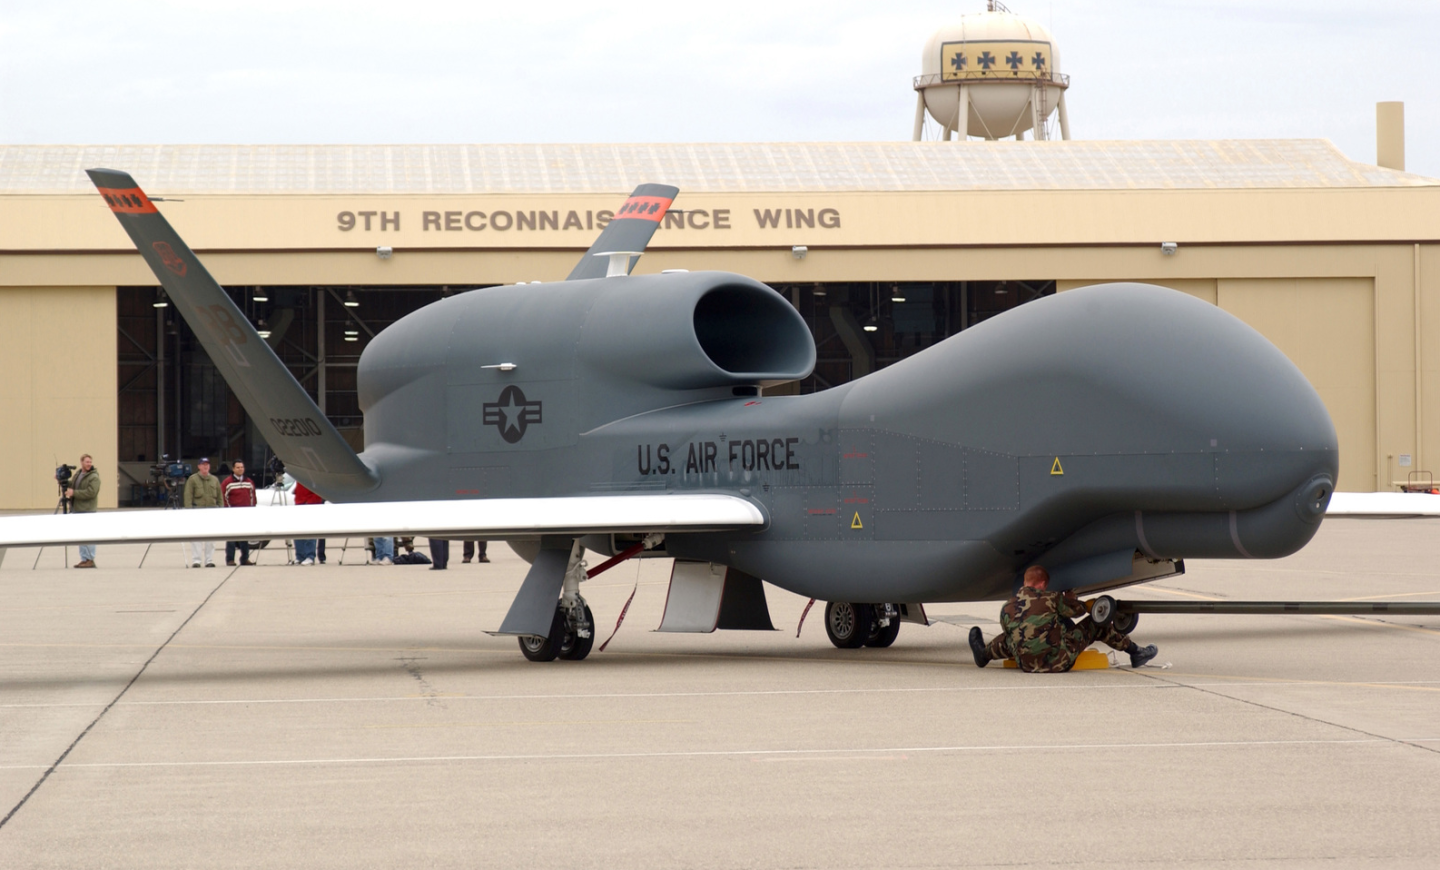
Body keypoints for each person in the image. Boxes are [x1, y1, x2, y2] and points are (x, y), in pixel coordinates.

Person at [969, 566, 1158, 672]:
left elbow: (1009, 633)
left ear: (1025, 582)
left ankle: (984, 654)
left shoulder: (1007, 607)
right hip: (1059, 661)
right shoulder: (1052, 599)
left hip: (1025, 664)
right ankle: (1136, 652)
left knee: (1013, 634)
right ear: (1043, 584)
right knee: (1096, 625)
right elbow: (1079, 612)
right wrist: (1071, 600)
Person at [182, 458, 223, 568]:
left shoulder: (214, 480)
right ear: (199, 466)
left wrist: (222, 511)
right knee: (197, 537)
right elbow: (188, 496)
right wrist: (189, 511)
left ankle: (209, 560)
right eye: (203, 464)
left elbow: (220, 497)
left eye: (207, 464)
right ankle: (196, 560)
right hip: (197, 512)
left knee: (211, 538)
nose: (205, 466)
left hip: (212, 512)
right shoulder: (192, 479)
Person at [66, 453, 101, 568]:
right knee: (81, 535)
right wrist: (62, 480)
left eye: (90, 462)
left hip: (88, 510)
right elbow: (73, 485)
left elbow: (91, 492)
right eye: (87, 462)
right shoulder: (78, 474)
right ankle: (84, 558)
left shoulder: (94, 477)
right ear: (81, 462)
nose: (89, 464)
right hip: (78, 509)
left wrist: (74, 493)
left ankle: (90, 558)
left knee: (89, 534)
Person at [221, 459, 258, 566]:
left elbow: (253, 497)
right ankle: (230, 559)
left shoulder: (249, 482)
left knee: (244, 538)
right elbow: (224, 497)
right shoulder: (227, 482)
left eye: (242, 467)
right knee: (231, 539)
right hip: (232, 514)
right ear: (233, 469)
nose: (240, 469)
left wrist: (251, 509)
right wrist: (228, 510)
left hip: (246, 514)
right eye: (238, 467)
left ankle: (245, 559)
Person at [292, 481, 323, 565]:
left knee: (310, 531)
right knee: (298, 531)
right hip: (300, 502)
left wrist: (311, 501)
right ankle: (300, 556)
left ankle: (310, 556)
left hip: (311, 502)